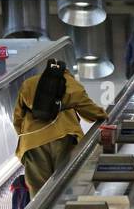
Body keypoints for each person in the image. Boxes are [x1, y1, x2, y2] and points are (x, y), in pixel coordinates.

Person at [12, 58, 107, 196]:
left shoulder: (28, 84)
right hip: (64, 138)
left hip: (32, 142)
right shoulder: (71, 84)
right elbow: (90, 113)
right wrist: (104, 115)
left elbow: (18, 118)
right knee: (65, 181)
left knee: (39, 189)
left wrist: (26, 140)